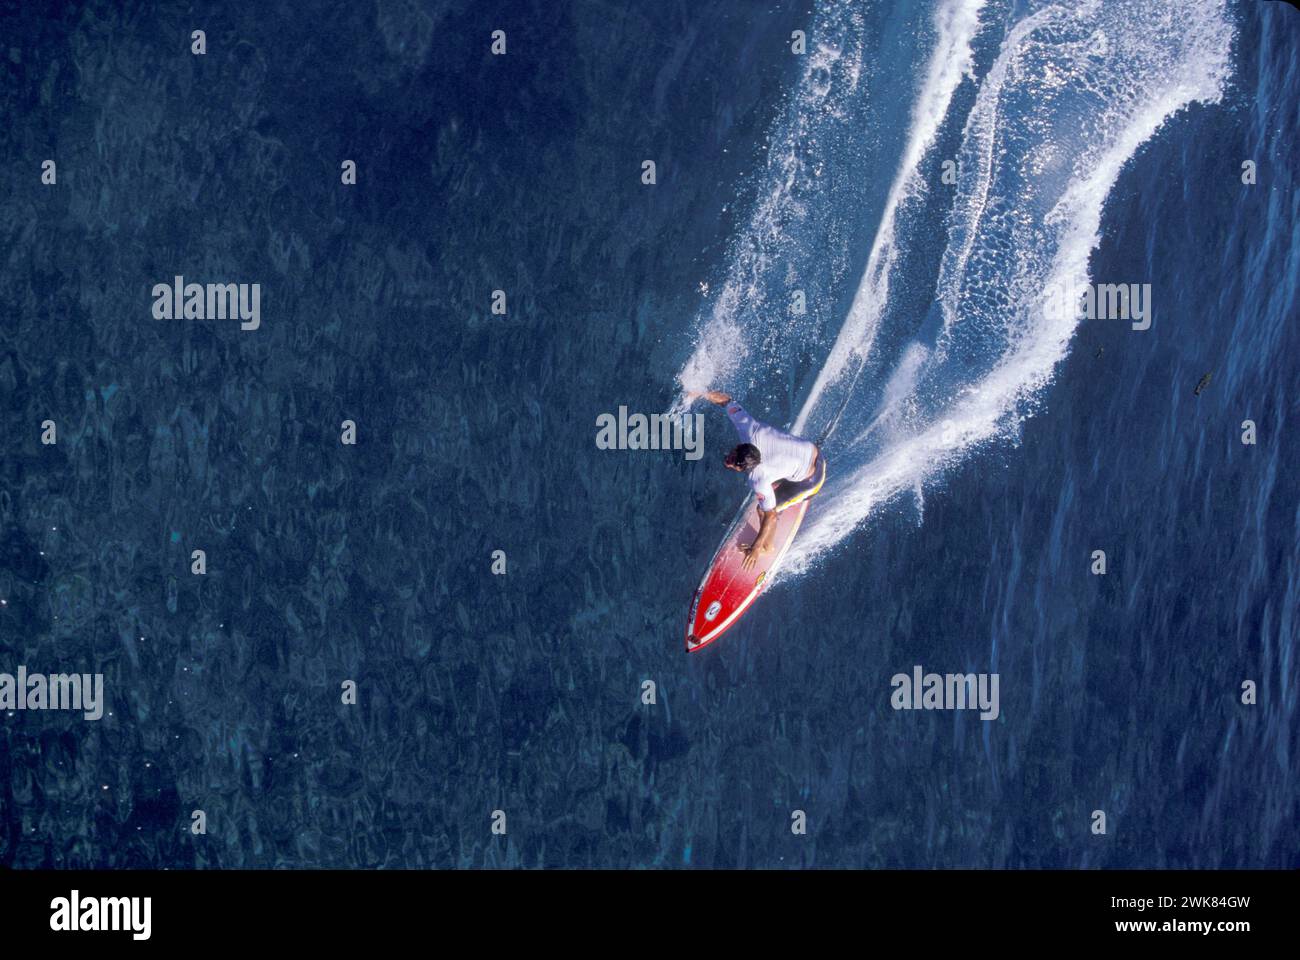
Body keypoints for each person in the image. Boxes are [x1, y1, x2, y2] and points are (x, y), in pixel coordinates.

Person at [692, 389, 827, 569]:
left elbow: (769, 516)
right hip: (812, 453)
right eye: (733, 456)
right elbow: (726, 401)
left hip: (811, 479)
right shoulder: (749, 427)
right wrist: (700, 392)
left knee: (763, 509)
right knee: (769, 492)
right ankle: (782, 483)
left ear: (746, 468)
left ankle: (767, 546)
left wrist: (755, 547)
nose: (729, 462)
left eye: (734, 464)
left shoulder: (759, 479)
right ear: (741, 445)